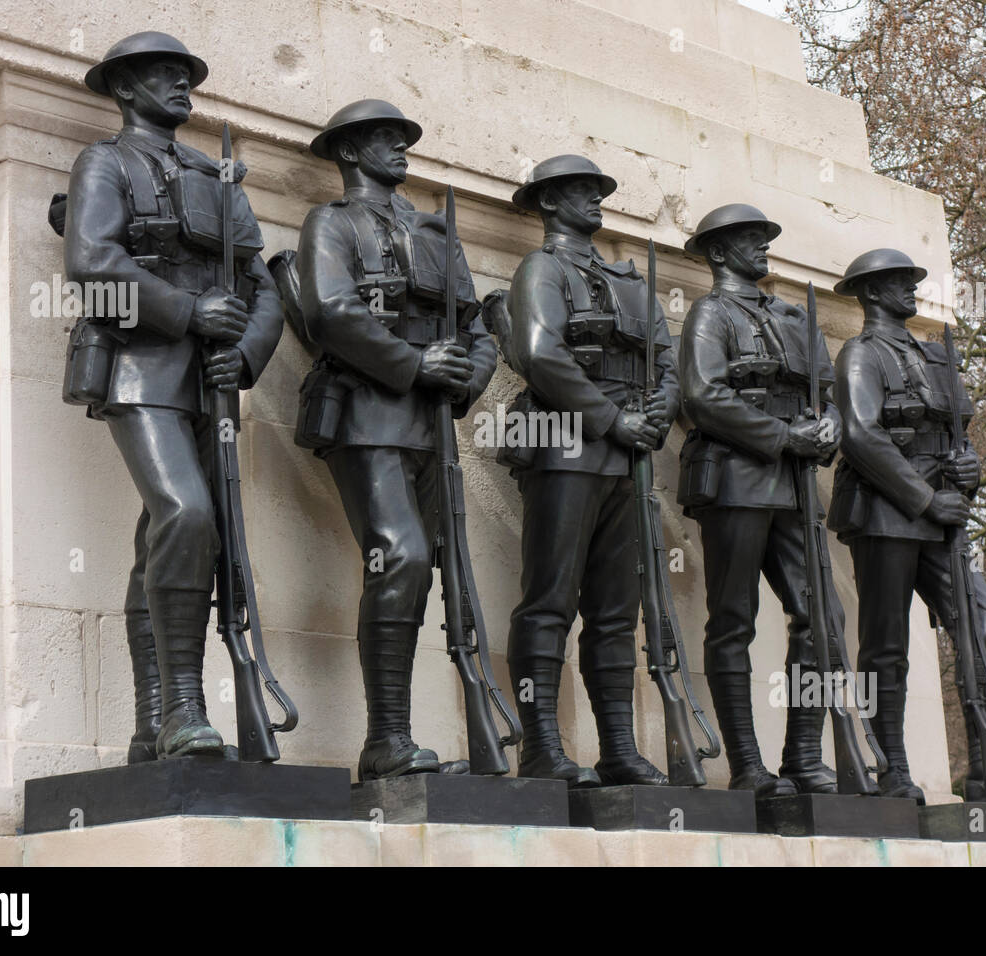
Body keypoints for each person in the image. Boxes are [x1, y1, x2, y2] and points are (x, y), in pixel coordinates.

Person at [61, 32, 283, 760]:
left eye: (186, 75)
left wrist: (245, 351)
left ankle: (150, 724)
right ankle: (185, 706)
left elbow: (263, 284)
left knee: (167, 534)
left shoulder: (217, 176)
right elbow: (94, 261)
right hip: (139, 366)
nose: (181, 85)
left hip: (211, 380)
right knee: (185, 515)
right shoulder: (106, 161)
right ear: (124, 89)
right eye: (162, 74)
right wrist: (189, 314)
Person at [294, 99, 496, 780]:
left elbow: (477, 328)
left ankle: (398, 741)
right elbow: (331, 310)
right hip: (367, 414)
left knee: (429, 572)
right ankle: (384, 739)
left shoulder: (438, 232)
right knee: (399, 556)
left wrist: (464, 376)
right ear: (350, 153)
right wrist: (413, 365)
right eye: (383, 139)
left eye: (403, 138)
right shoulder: (333, 222)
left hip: (433, 424)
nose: (400, 148)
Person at [829, 248, 986, 804]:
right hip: (887, 513)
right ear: (871, 293)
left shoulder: (935, 356)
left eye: (912, 279)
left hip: (943, 515)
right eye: (898, 281)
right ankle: (894, 769)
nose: (911, 288)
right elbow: (860, 435)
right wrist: (926, 498)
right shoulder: (860, 355)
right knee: (887, 647)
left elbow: (959, 438)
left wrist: (969, 470)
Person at [503, 155, 678, 788]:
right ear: (549, 203)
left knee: (616, 611)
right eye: (580, 191)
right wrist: (611, 418)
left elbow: (668, 362)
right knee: (549, 601)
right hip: (567, 447)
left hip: (630, 458)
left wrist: (662, 407)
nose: (595, 199)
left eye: (597, 190)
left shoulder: (634, 282)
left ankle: (618, 747)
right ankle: (541, 746)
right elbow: (540, 353)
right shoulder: (541, 269)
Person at [677, 203, 843, 797]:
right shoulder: (709, 314)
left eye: (764, 237)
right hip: (737, 483)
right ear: (719, 253)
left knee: (823, 617)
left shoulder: (797, 318)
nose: (762, 246)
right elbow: (703, 396)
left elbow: (829, 394)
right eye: (749, 239)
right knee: (733, 622)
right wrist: (780, 436)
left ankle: (803, 755)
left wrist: (830, 429)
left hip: (796, 487)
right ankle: (747, 765)